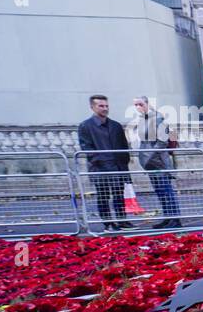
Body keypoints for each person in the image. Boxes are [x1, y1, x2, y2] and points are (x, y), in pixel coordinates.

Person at [77, 94, 133, 231]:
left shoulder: (116, 126)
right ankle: (108, 223)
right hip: (100, 168)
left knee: (119, 195)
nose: (105, 108)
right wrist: (102, 162)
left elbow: (124, 147)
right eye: (101, 106)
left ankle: (122, 220)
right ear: (92, 107)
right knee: (103, 196)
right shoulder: (85, 126)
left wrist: (124, 166)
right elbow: (87, 148)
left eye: (106, 106)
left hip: (118, 167)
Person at [130, 96, 181, 228]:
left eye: (140, 104)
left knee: (166, 191)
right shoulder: (143, 120)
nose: (138, 107)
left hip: (159, 162)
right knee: (160, 192)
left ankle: (175, 220)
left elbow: (162, 142)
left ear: (147, 104)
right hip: (150, 163)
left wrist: (149, 156)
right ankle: (168, 218)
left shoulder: (158, 118)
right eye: (135, 105)